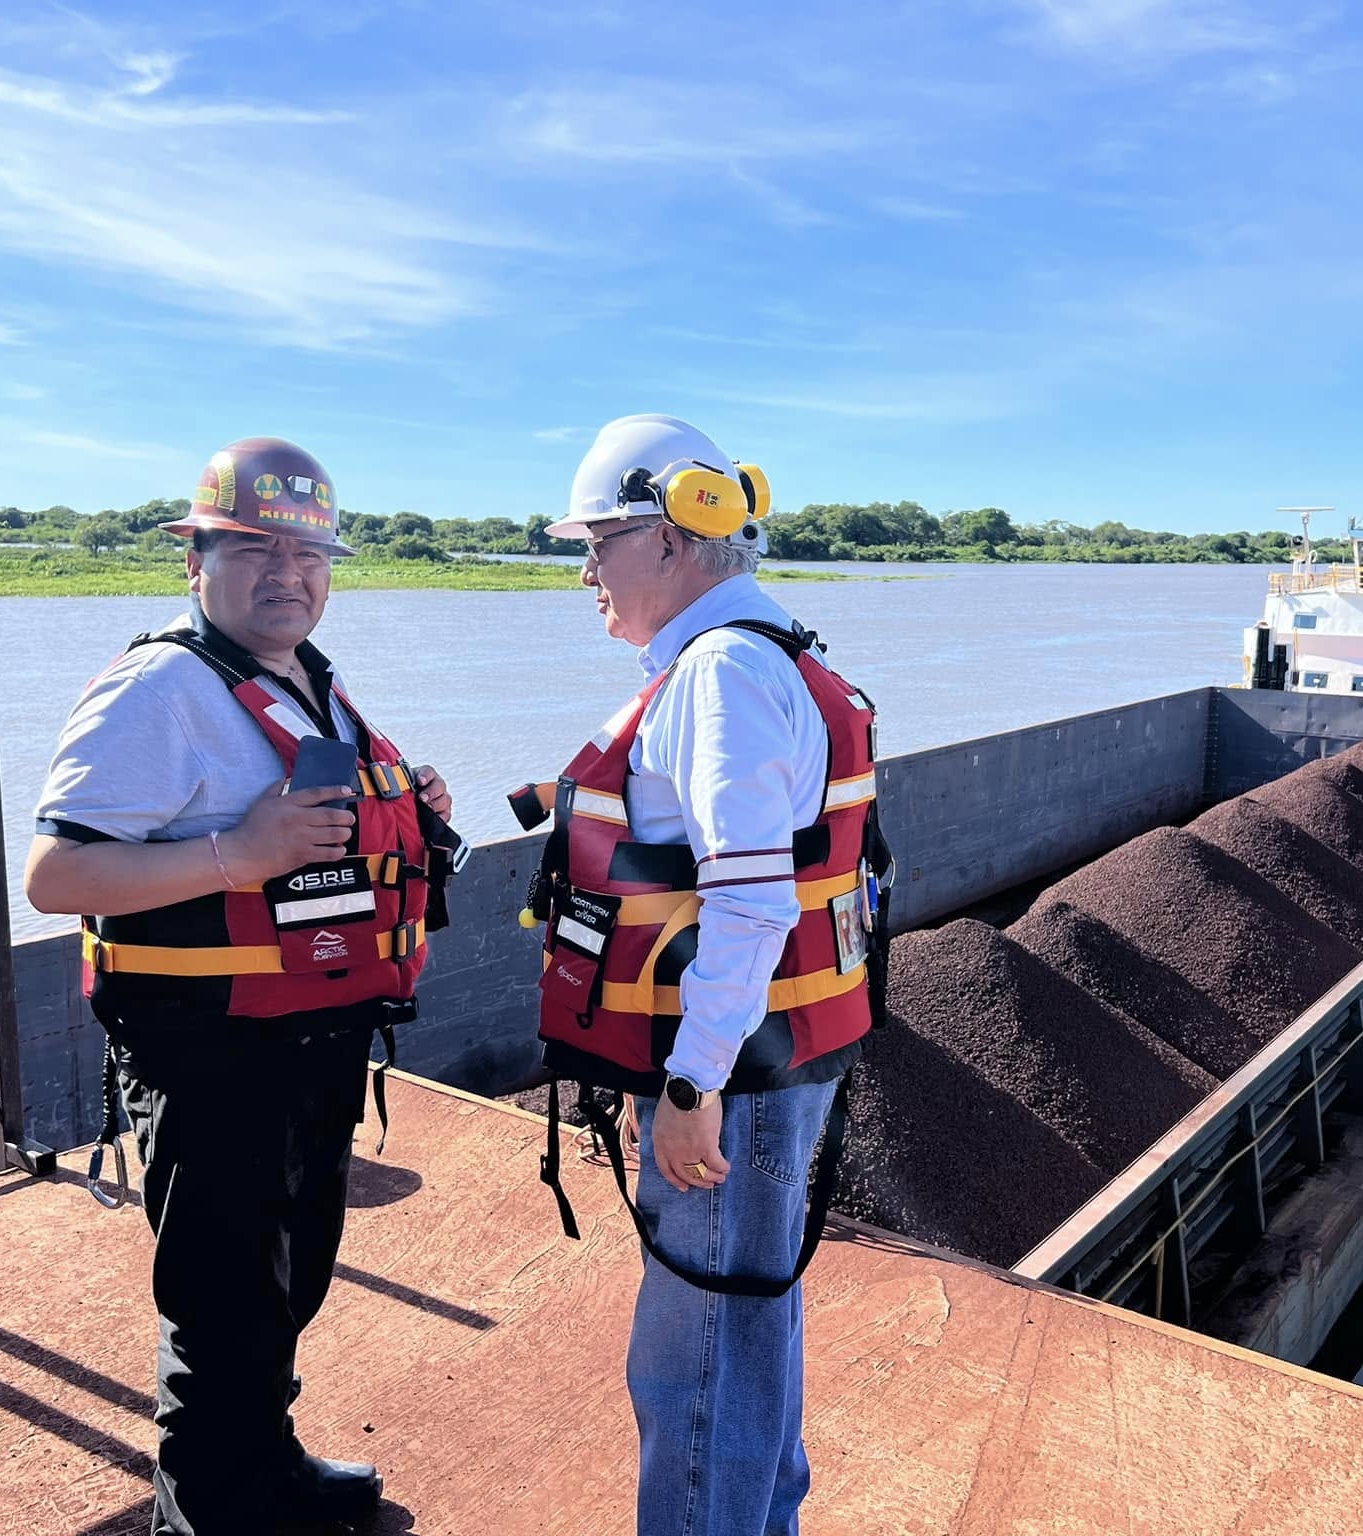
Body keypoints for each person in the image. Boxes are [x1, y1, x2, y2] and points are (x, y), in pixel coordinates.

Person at [25, 437, 459, 1536]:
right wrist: (240, 855)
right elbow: (55, 875)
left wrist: (405, 806)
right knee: (220, 1310)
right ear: (196, 561)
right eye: (254, 550)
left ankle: (269, 1472)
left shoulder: (313, 679)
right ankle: (211, 1512)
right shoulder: (160, 685)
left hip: (315, 1040)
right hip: (210, 1050)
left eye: (308, 554)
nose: (286, 576)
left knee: (287, 1282)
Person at [525, 414, 888, 1535]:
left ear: (674, 541)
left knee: (697, 1356)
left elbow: (747, 895)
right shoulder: (771, 654)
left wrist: (691, 1086)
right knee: (748, 1325)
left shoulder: (718, 675)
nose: (585, 570)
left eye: (598, 542)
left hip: (731, 1074)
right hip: (774, 1058)